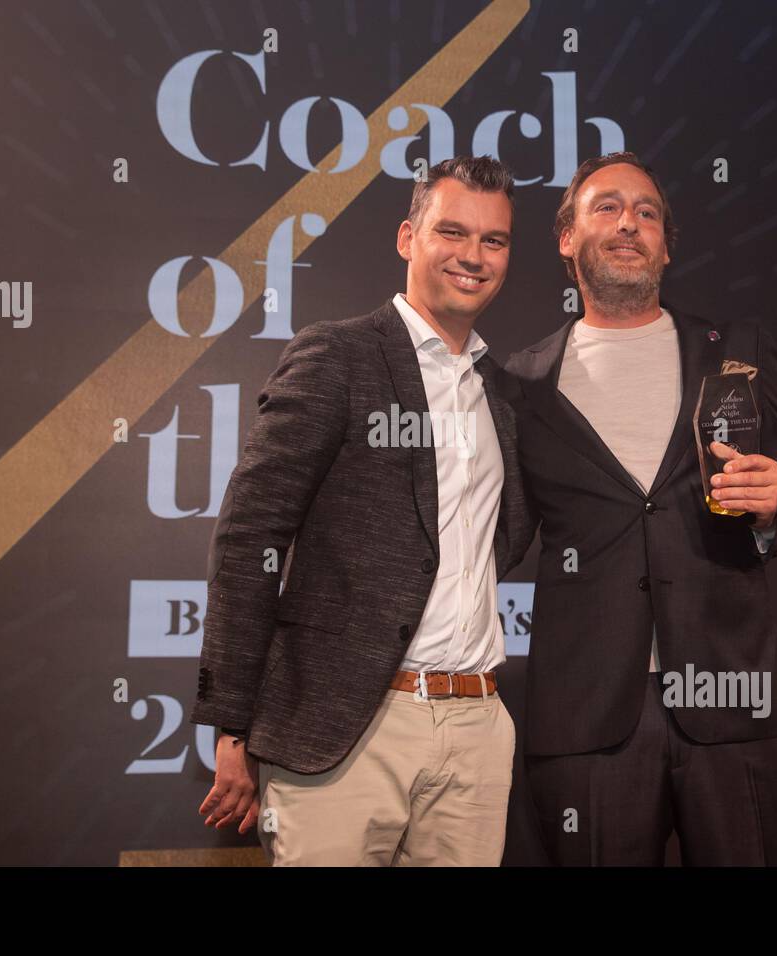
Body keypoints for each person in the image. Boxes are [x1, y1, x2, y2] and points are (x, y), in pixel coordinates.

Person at [189, 155, 533, 866]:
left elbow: (498, 540)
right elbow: (251, 536)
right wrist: (232, 727)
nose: (473, 256)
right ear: (408, 238)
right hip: (344, 727)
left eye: (493, 241)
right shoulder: (337, 356)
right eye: (453, 232)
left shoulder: (502, 393)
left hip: (475, 728)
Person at [502, 152, 777, 865]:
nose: (629, 223)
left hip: (735, 697)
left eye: (647, 213)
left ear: (666, 246)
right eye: (608, 208)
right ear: (566, 238)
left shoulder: (735, 352)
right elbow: (495, 537)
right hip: (586, 716)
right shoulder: (519, 383)